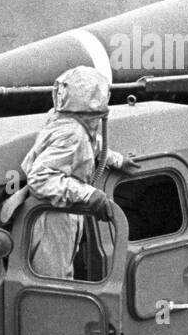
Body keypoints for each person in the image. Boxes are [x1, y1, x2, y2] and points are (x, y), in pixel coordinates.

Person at [20, 66, 136, 280]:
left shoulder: (67, 122)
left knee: (64, 270)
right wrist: (87, 194)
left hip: (61, 209)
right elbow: (40, 178)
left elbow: (90, 145)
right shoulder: (71, 133)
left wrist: (117, 160)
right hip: (54, 215)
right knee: (55, 281)